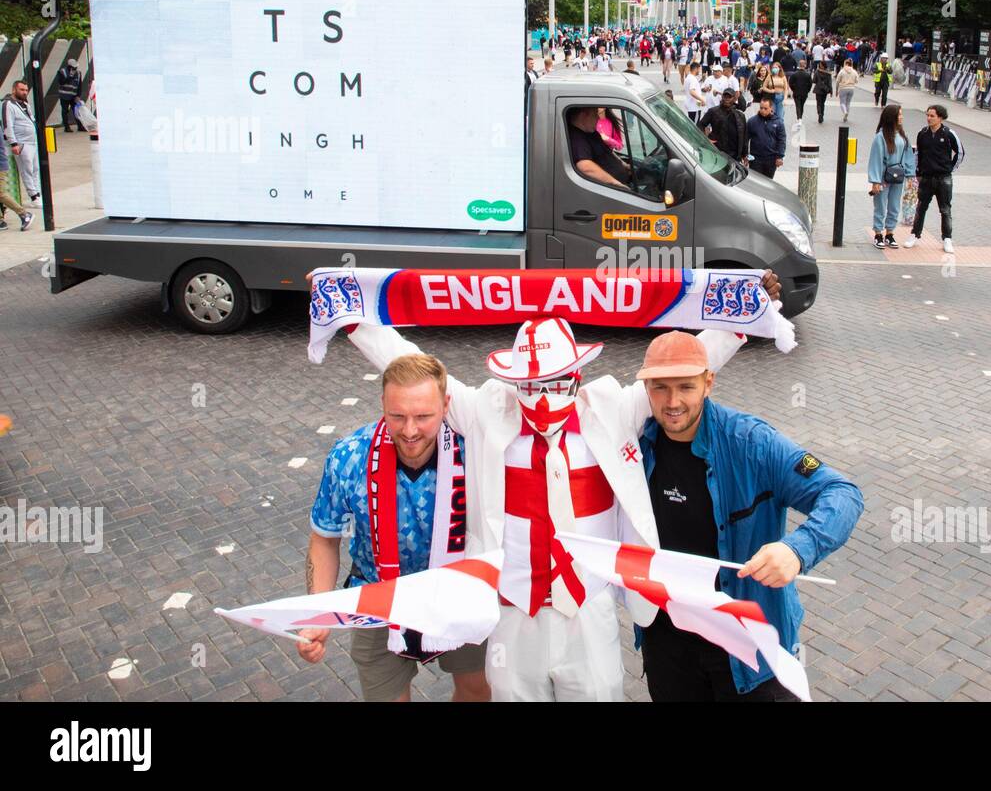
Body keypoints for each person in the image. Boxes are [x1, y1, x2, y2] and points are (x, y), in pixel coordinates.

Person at [344, 297, 774, 702]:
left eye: (554, 381)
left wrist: (743, 315)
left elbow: (683, 365)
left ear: (577, 375)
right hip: (513, 611)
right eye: (531, 383)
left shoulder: (612, 409)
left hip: (589, 609)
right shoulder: (485, 412)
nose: (543, 394)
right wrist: (350, 318)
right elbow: (413, 369)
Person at [633, 331, 863, 702]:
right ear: (646, 389)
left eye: (686, 387)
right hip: (669, 642)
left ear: (709, 383)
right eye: (660, 388)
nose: (672, 402)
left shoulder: (753, 443)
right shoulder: (635, 446)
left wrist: (796, 550)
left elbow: (842, 493)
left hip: (748, 648)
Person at [298, 353, 491, 702]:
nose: (410, 430)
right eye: (397, 415)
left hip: (458, 593)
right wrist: (318, 614)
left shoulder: (475, 452)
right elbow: (325, 540)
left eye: (423, 416)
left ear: (446, 404)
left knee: (477, 689)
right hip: (378, 597)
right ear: (382, 403)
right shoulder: (349, 457)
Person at [903, 104, 964, 254]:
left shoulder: (949, 134)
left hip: (943, 177)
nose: (929, 118)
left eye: (932, 116)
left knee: (945, 209)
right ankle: (915, 234)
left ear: (940, 118)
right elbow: (918, 154)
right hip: (926, 177)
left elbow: (960, 152)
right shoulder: (922, 133)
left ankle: (947, 238)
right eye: (928, 115)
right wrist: (918, 171)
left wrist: (951, 168)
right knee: (921, 207)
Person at [867, 103, 915, 249]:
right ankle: (878, 234)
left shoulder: (901, 135)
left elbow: (908, 155)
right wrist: (875, 180)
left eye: (901, 114)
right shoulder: (880, 137)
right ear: (891, 117)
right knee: (880, 205)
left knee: (894, 205)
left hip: (898, 176)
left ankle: (889, 233)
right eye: (899, 114)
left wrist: (910, 173)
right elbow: (876, 158)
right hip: (883, 177)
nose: (901, 117)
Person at [567, 106, 631, 189]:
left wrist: (624, 165)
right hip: (613, 190)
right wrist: (617, 184)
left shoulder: (592, 132)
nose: (598, 118)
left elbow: (608, 152)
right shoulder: (576, 138)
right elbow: (585, 166)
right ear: (583, 115)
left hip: (625, 181)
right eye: (595, 114)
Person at [2, 80, 40, 203]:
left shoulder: (25, 104)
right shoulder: (8, 104)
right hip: (21, 143)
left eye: (26, 90)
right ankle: (33, 196)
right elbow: (8, 124)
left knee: (35, 168)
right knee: (26, 169)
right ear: (14, 90)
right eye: (21, 90)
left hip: (32, 142)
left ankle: (37, 193)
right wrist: (13, 143)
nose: (24, 92)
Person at [699, 88, 747, 162]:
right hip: (718, 152)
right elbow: (700, 125)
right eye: (725, 96)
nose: (727, 99)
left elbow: (744, 137)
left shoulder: (740, 116)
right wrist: (706, 140)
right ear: (722, 97)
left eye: (729, 97)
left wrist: (744, 154)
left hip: (735, 155)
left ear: (734, 99)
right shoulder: (713, 111)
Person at [745, 97, 786, 178]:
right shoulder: (752, 121)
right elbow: (745, 139)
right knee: (756, 182)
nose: (763, 110)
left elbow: (781, 140)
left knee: (768, 182)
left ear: (771, 108)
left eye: (765, 108)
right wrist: (745, 155)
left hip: (771, 159)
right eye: (761, 108)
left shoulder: (778, 123)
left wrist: (780, 157)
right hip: (755, 158)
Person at [56, 59, 85, 133]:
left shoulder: (78, 73)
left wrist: (78, 95)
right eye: (73, 68)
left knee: (76, 111)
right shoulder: (62, 72)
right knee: (65, 111)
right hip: (64, 95)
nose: (75, 69)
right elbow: (61, 82)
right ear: (69, 67)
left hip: (74, 96)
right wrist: (70, 76)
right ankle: (67, 127)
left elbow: (79, 85)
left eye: (76, 67)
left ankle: (80, 126)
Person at [788, 60, 812, 132]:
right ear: (805, 65)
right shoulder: (807, 75)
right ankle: (800, 118)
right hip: (804, 93)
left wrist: (793, 89)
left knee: (798, 105)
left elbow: (790, 83)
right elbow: (810, 84)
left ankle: (799, 119)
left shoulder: (794, 74)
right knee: (801, 105)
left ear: (799, 65)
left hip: (796, 92)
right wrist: (807, 90)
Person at [813, 60, 833, 124]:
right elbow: (830, 83)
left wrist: (818, 82)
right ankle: (822, 114)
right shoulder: (828, 73)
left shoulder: (817, 72)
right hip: (825, 90)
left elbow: (814, 80)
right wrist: (831, 91)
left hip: (818, 89)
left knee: (818, 103)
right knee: (822, 103)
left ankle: (819, 114)